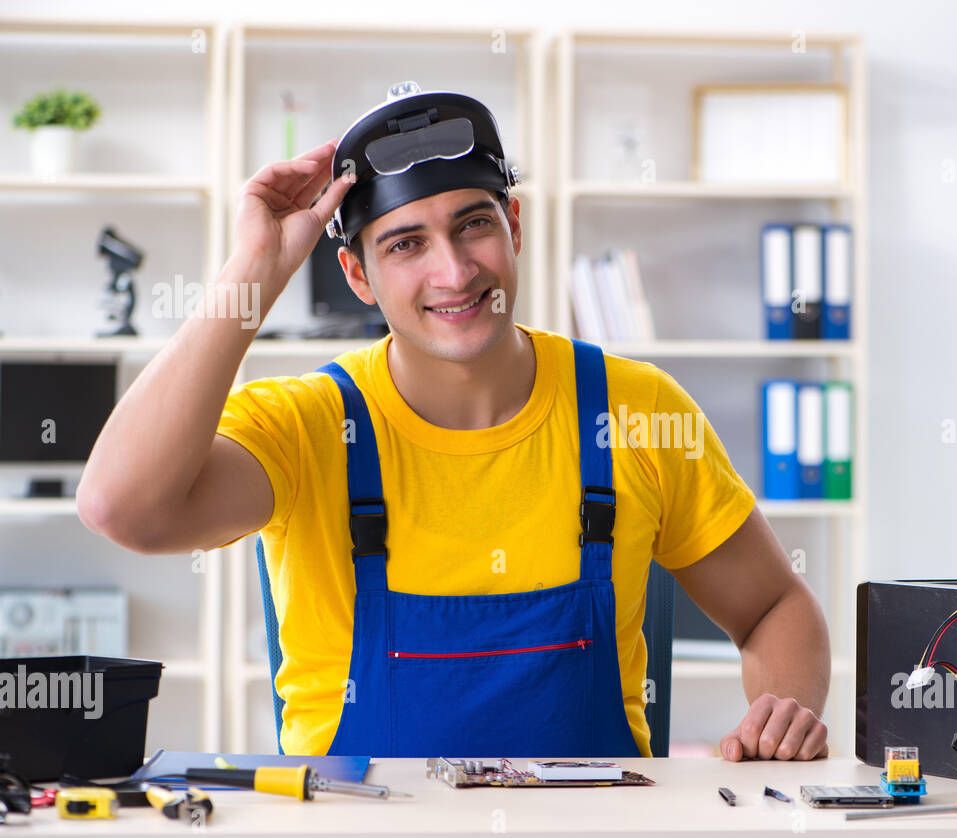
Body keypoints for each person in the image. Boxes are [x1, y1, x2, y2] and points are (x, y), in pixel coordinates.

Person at [78, 83, 831, 761]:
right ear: (357, 275)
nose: (454, 271)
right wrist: (253, 270)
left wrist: (783, 712)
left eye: (472, 225)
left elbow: (774, 605)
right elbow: (122, 506)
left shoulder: (635, 411)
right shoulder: (307, 426)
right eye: (406, 244)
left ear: (514, 227)